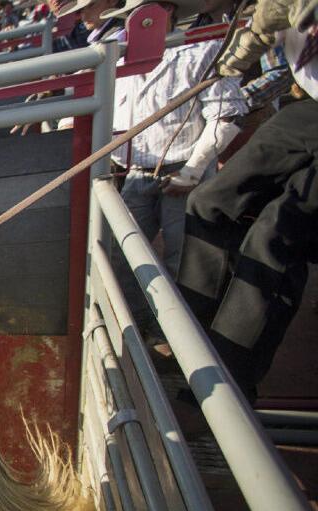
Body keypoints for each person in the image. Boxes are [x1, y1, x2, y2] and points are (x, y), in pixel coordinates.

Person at [176, 0, 318, 401]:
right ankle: (190, 340)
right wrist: (233, 61)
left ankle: (229, 383)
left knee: (276, 232)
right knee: (210, 202)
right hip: (310, 107)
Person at [104, 0, 247, 350]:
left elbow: (227, 117)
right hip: (135, 173)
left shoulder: (201, 52)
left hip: (184, 172)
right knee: (122, 253)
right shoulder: (118, 61)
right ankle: (140, 323)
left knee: (184, 258)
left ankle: (175, 337)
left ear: (167, 10)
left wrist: (193, 170)